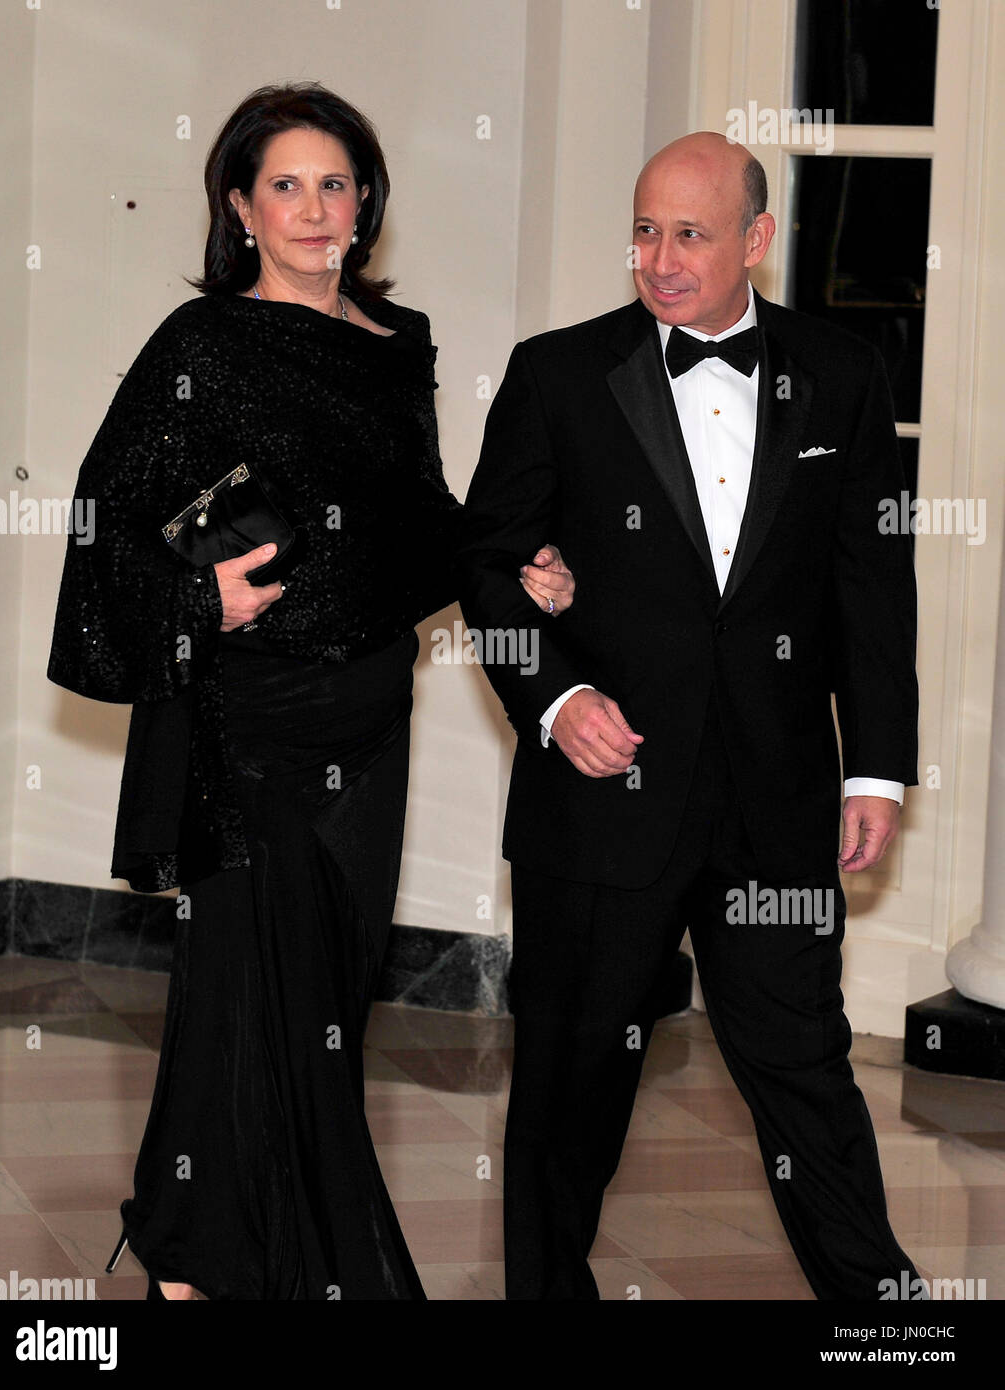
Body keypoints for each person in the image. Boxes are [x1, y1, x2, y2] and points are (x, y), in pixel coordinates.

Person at [46, 82, 575, 1302]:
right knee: (246, 990)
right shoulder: (204, 347)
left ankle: (195, 1236)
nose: (313, 207)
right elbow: (103, 518)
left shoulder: (400, 346)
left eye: (335, 183)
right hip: (250, 721)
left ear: (367, 202)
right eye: (284, 184)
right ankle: (234, 1262)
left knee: (328, 995)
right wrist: (199, 603)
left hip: (370, 720)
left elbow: (419, 523)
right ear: (238, 206)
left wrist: (511, 567)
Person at [458, 131, 920, 1300]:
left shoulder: (844, 373)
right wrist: (554, 698)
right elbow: (487, 571)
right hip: (600, 803)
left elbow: (871, 585)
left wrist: (875, 772)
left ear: (756, 239)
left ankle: (886, 1317)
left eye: (691, 234)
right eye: (645, 230)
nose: (659, 260)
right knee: (570, 1081)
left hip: (776, 802)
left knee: (803, 1066)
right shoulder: (556, 375)